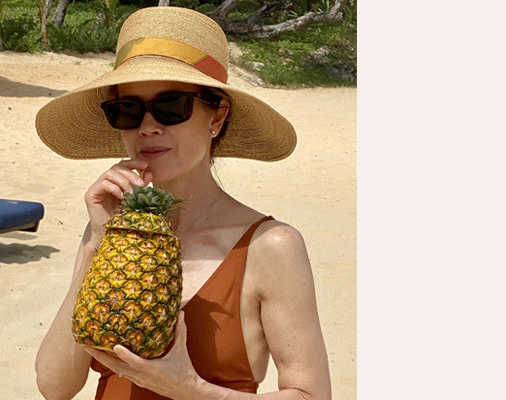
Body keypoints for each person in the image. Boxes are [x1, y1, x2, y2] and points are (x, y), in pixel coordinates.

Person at [34, 6, 331, 400]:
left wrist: (189, 389)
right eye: (128, 110)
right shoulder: (107, 232)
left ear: (217, 117)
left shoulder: (270, 246)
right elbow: (55, 387)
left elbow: (311, 394)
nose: (147, 127)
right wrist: (95, 244)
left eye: (171, 106)